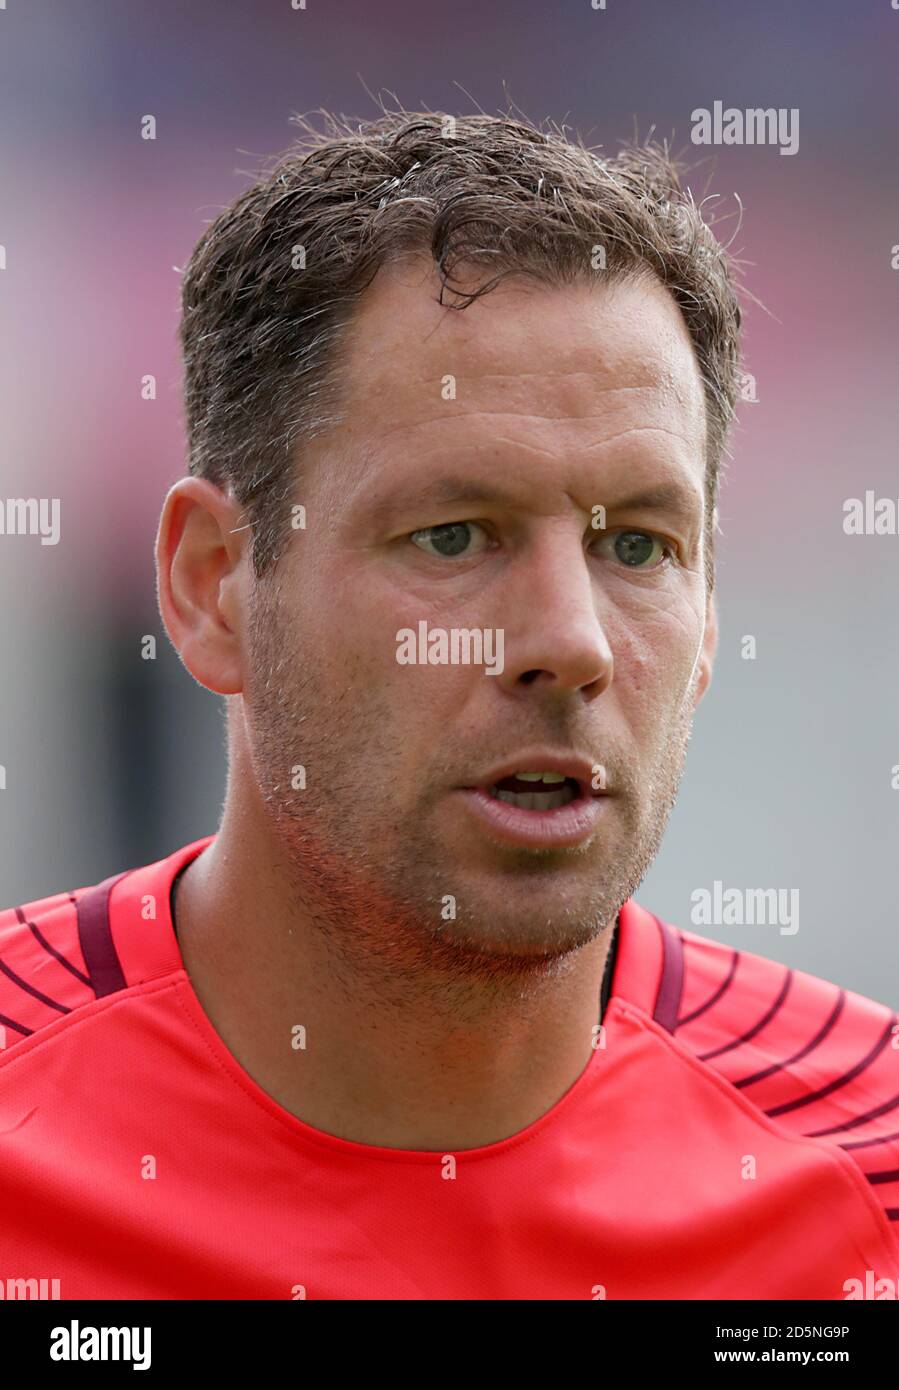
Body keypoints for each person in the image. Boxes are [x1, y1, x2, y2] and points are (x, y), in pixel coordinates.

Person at [1, 111, 896, 1300]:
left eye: (637, 543)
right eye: (453, 533)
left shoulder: (866, 1160)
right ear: (213, 586)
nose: (568, 642)